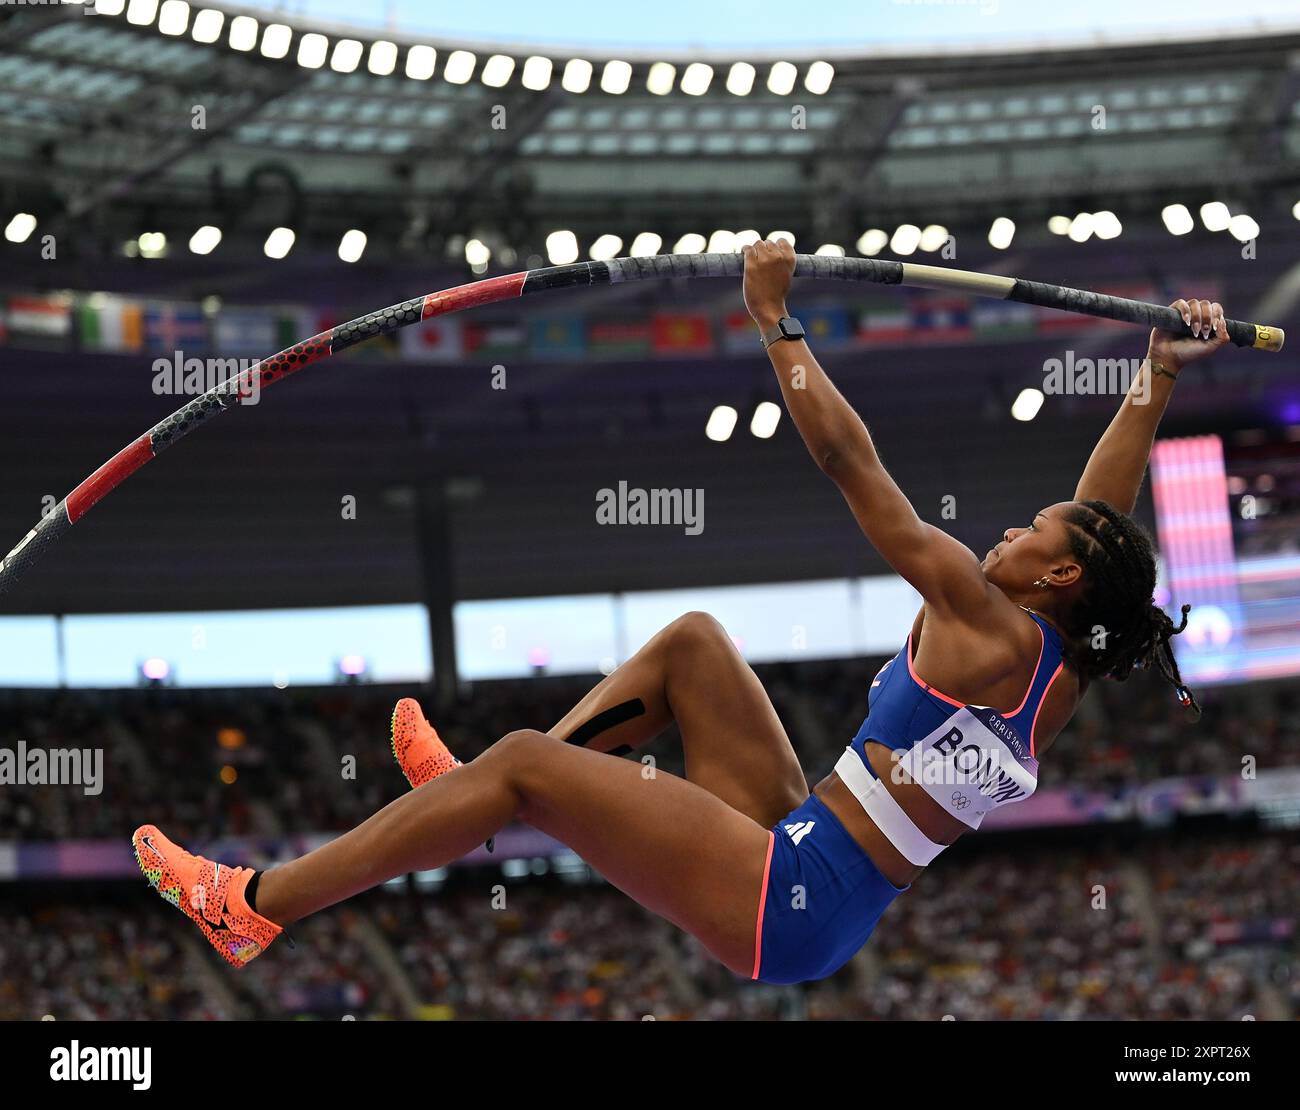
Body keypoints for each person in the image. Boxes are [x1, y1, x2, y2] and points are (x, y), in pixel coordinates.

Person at [132, 239, 1227, 985]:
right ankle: (470, 798)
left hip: (787, 896)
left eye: (1031, 532)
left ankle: (253, 902)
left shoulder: (984, 622)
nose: (1008, 533)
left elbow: (852, 466)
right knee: (696, 647)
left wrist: (775, 320)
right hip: (805, 851)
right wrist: (1156, 375)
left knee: (519, 762)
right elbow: (1104, 510)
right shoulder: (1057, 662)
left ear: (1059, 578)